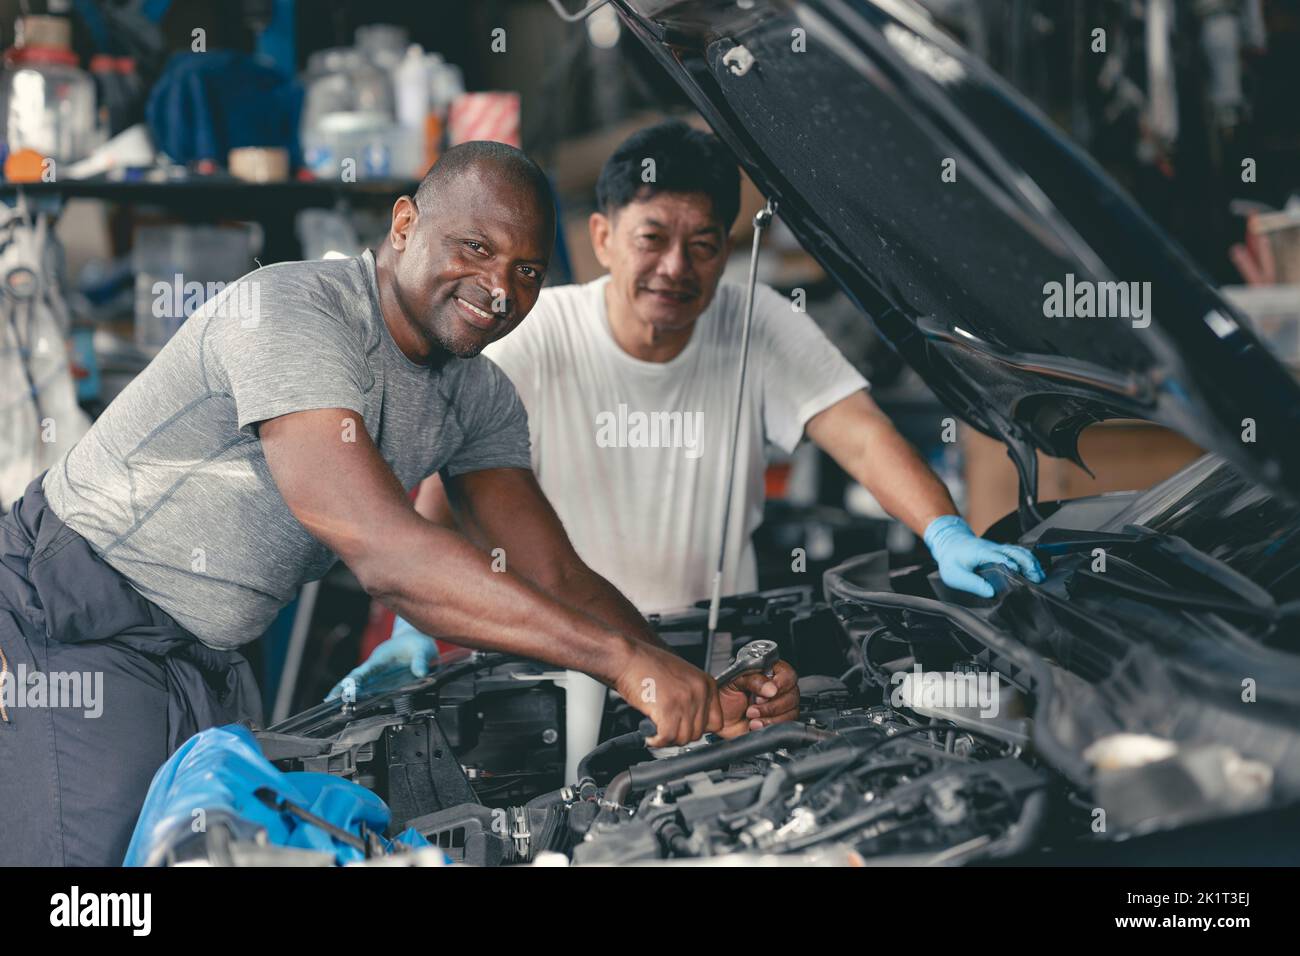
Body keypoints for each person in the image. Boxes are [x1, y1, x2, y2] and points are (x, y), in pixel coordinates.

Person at [0, 141, 746, 867]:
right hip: (74, 621)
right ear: (402, 225)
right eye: (475, 248)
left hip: (209, 656)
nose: (499, 290)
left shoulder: (478, 395)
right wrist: (620, 664)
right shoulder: (294, 314)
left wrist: (692, 684)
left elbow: (554, 571)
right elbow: (386, 553)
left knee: (228, 855)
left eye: (525, 270)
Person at [351, 121, 1044, 729]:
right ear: (604, 237)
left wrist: (943, 531)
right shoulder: (536, 338)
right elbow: (446, 508)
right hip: (545, 669)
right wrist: (416, 623)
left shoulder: (756, 323)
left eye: (703, 245)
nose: (675, 268)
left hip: (717, 665)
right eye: (652, 238)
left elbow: (858, 433)